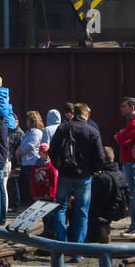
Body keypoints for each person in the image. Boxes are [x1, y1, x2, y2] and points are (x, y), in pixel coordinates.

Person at [46, 103, 105, 256]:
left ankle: (61, 247)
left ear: (74, 113)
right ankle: (78, 252)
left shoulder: (63, 128)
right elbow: (99, 157)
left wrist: (58, 166)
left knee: (60, 208)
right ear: (86, 114)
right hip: (83, 177)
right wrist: (92, 170)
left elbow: (52, 150)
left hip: (65, 174)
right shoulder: (92, 131)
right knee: (82, 212)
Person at [114, 97, 135, 238]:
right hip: (130, 161)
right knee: (134, 195)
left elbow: (122, 139)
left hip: (132, 162)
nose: (121, 109)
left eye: (124, 106)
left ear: (132, 107)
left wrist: (119, 135)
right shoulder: (133, 121)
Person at [89, 147, 130, 244]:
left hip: (103, 212)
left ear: (103, 158)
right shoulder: (121, 174)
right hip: (120, 209)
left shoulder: (102, 177)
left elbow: (92, 197)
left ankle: (96, 234)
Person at [16, 110, 45, 207]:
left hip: (32, 163)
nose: (26, 121)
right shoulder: (29, 132)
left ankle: (36, 205)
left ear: (33, 120)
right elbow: (22, 144)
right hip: (26, 163)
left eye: (28, 119)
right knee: (29, 186)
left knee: (33, 186)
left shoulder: (36, 132)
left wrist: (20, 153)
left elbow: (30, 146)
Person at [29, 142, 59, 234]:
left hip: (48, 196)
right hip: (39, 195)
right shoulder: (35, 166)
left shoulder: (51, 166)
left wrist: (50, 194)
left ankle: (51, 232)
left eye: (47, 153)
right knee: (43, 215)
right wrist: (34, 194)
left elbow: (54, 182)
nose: (46, 155)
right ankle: (46, 231)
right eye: (44, 152)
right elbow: (32, 181)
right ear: (40, 153)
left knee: (51, 215)